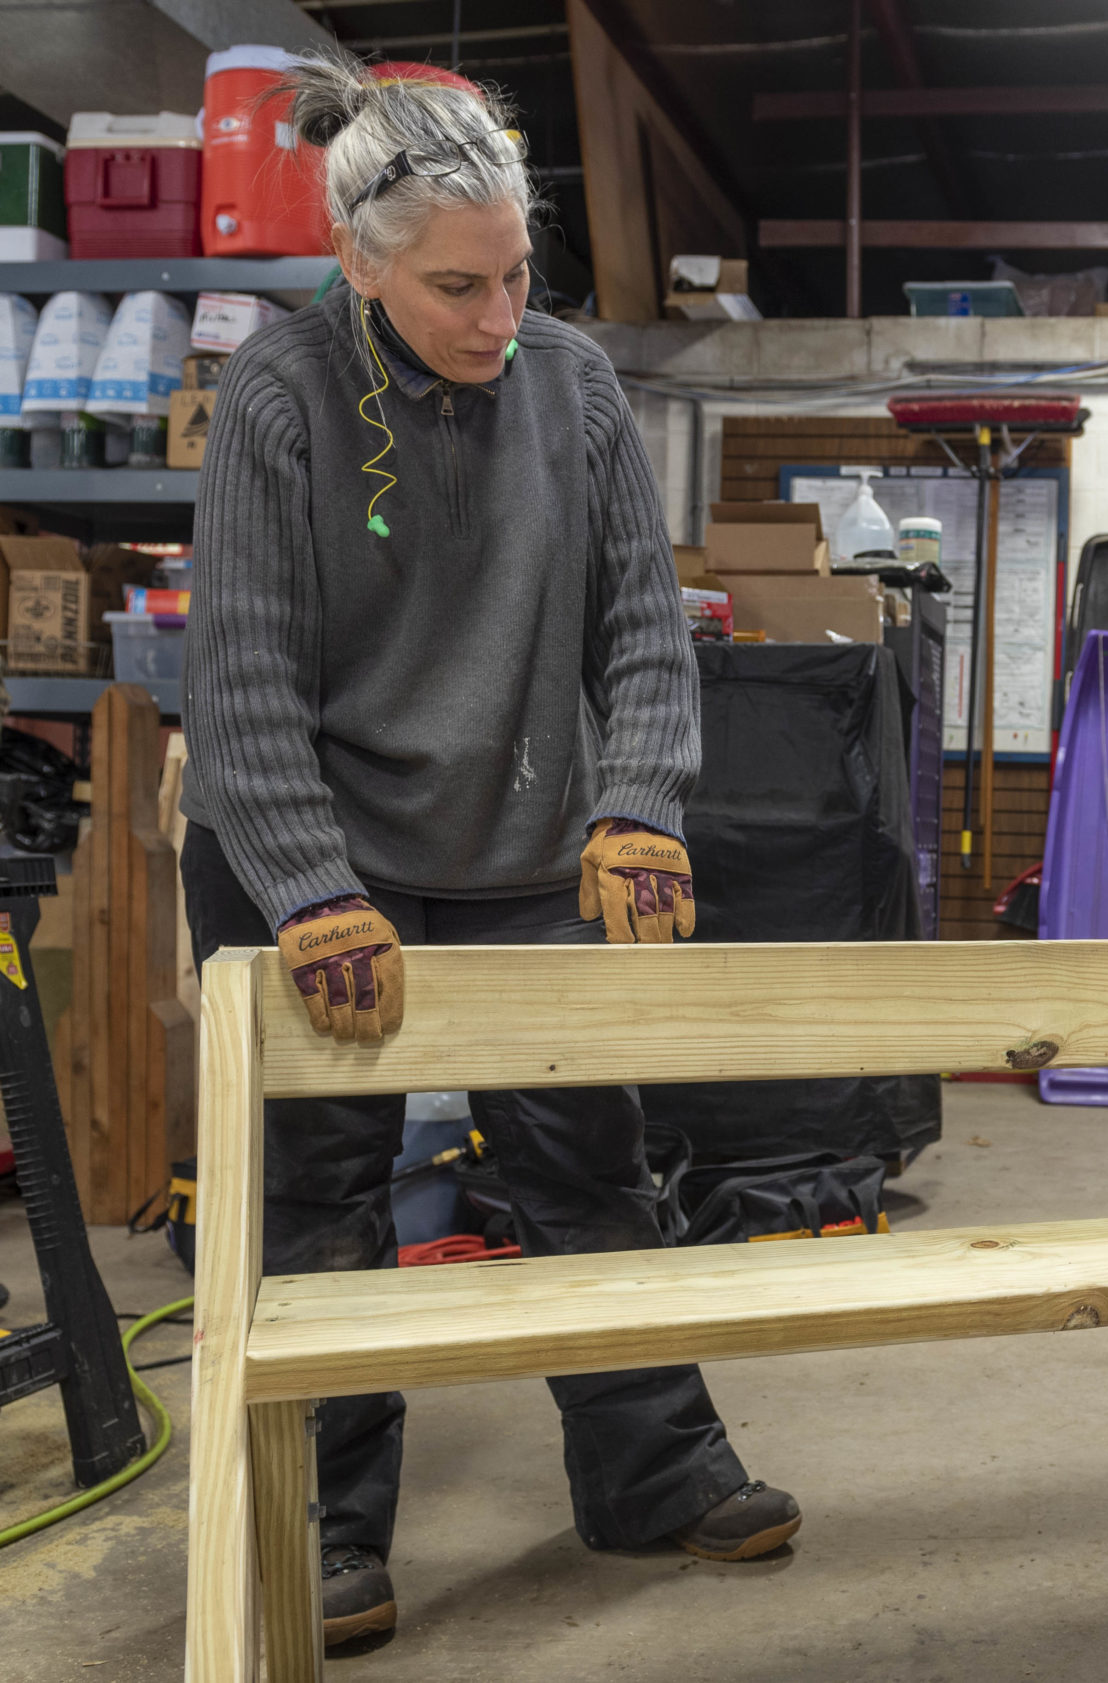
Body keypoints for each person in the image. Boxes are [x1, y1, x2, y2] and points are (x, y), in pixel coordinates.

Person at [180, 53, 798, 1650]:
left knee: (588, 1158)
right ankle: (320, 1524)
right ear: (359, 266)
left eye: (519, 272)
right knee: (324, 1195)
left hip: (528, 842)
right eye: (457, 285)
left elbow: (645, 640)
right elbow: (242, 687)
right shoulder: (277, 397)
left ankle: (653, 1474)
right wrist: (314, 894)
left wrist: (641, 804)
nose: (496, 315)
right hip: (320, 851)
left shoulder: (575, 387)